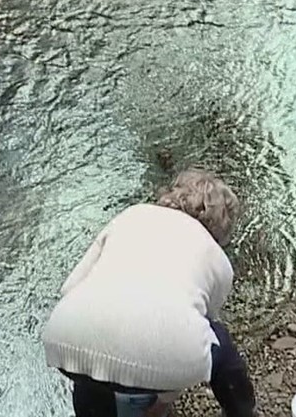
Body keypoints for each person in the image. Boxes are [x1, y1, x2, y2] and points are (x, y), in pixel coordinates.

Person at [42, 168, 257, 417]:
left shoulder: (132, 215)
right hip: (162, 360)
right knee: (220, 343)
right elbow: (193, 330)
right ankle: (241, 411)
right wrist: (164, 400)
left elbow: (69, 288)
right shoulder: (216, 257)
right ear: (222, 228)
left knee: (92, 359)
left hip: (64, 339)